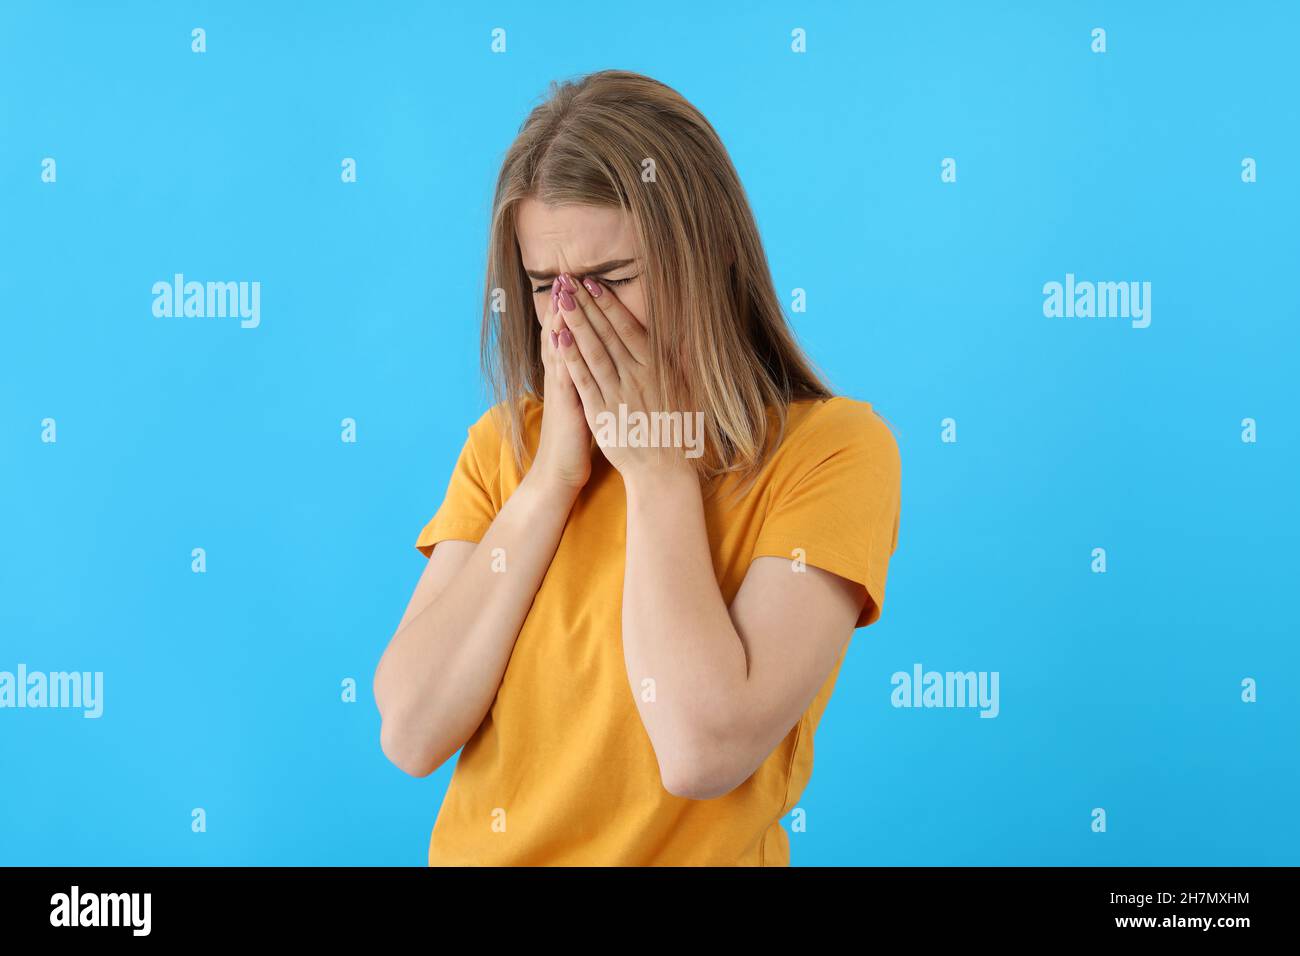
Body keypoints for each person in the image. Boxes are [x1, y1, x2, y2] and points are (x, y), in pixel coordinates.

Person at [373, 70, 901, 866]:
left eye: (614, 279)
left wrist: (657, 470)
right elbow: (411, 733)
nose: (573, 318)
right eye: (546, 284)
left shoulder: (831, 453)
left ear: (713, 255)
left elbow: (700, 751)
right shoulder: (506, 449)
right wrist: (552, 481)